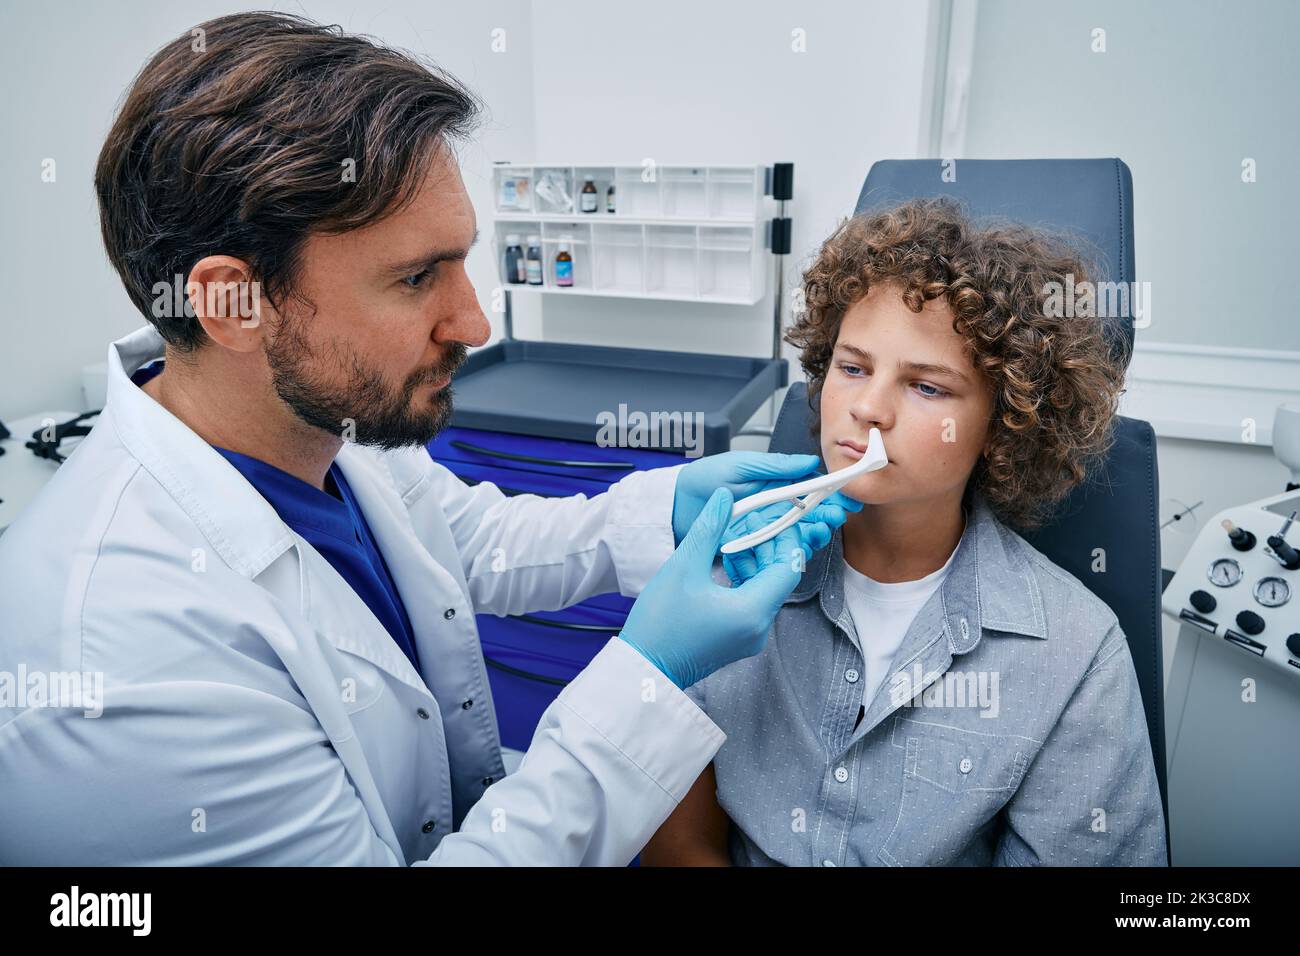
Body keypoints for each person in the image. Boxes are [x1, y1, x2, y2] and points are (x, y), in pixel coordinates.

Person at [0, 12, 860, 865]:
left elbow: (470, 543)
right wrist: (651, 674)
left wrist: (664, 507)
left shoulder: (324, 427)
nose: (476, 321)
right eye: (416, 278)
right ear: (232, 302)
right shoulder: (121, 661)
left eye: (459, 262)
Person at [642, 198, 1169, 867]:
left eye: (926, 387)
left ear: (1004, 426)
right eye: (853, 367)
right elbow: (678, 844)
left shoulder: (1074, 654)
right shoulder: (724, 576)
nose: (867, 407)